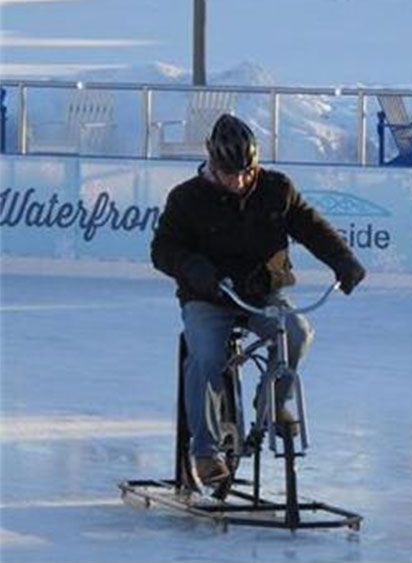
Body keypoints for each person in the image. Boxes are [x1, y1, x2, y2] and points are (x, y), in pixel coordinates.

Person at [151, 114, 366, 485]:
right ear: (212, 163)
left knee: (296, 333)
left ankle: (274, 403)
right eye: (228, 173)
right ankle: (204, 451)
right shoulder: (186, 199)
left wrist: (343, 261)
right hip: (210, 297)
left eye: (245, 172)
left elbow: (312, 228)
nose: (238, 181)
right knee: (206, 357)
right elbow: (162, 250)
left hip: (263, 292)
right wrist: (192, 267)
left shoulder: (276, 189)